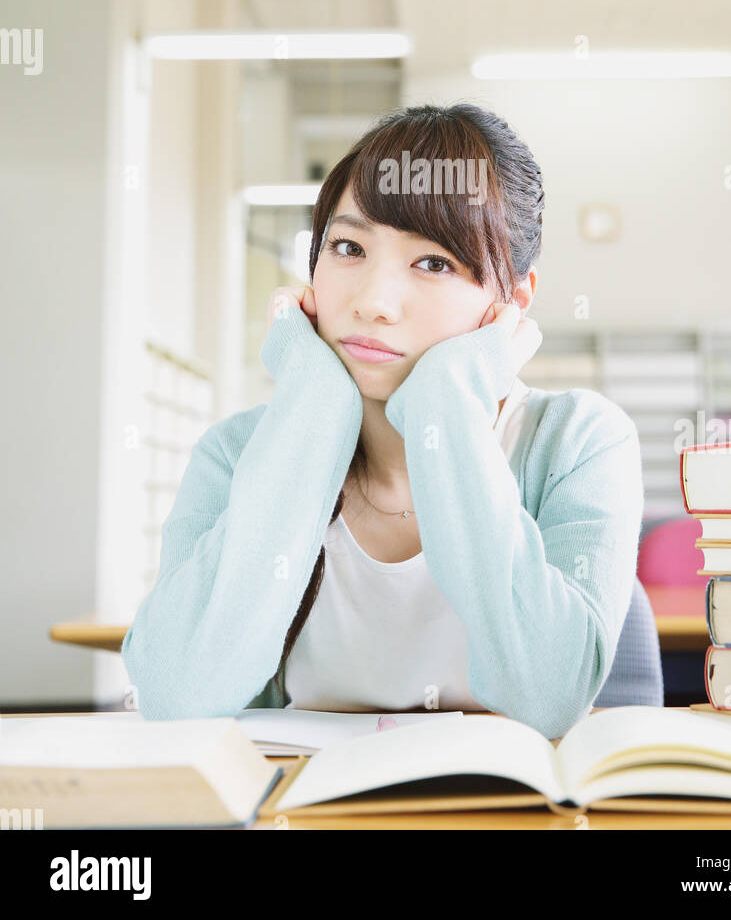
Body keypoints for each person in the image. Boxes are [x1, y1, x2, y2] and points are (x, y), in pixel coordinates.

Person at [122, 103, 643, 739]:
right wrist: (314, 407)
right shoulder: (236, 453)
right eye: (348, 248)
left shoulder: (576, 442)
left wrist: (445, 407)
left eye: (433, 263)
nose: (372, 302)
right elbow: (179, 696)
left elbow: (547, 697)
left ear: (512, 303)